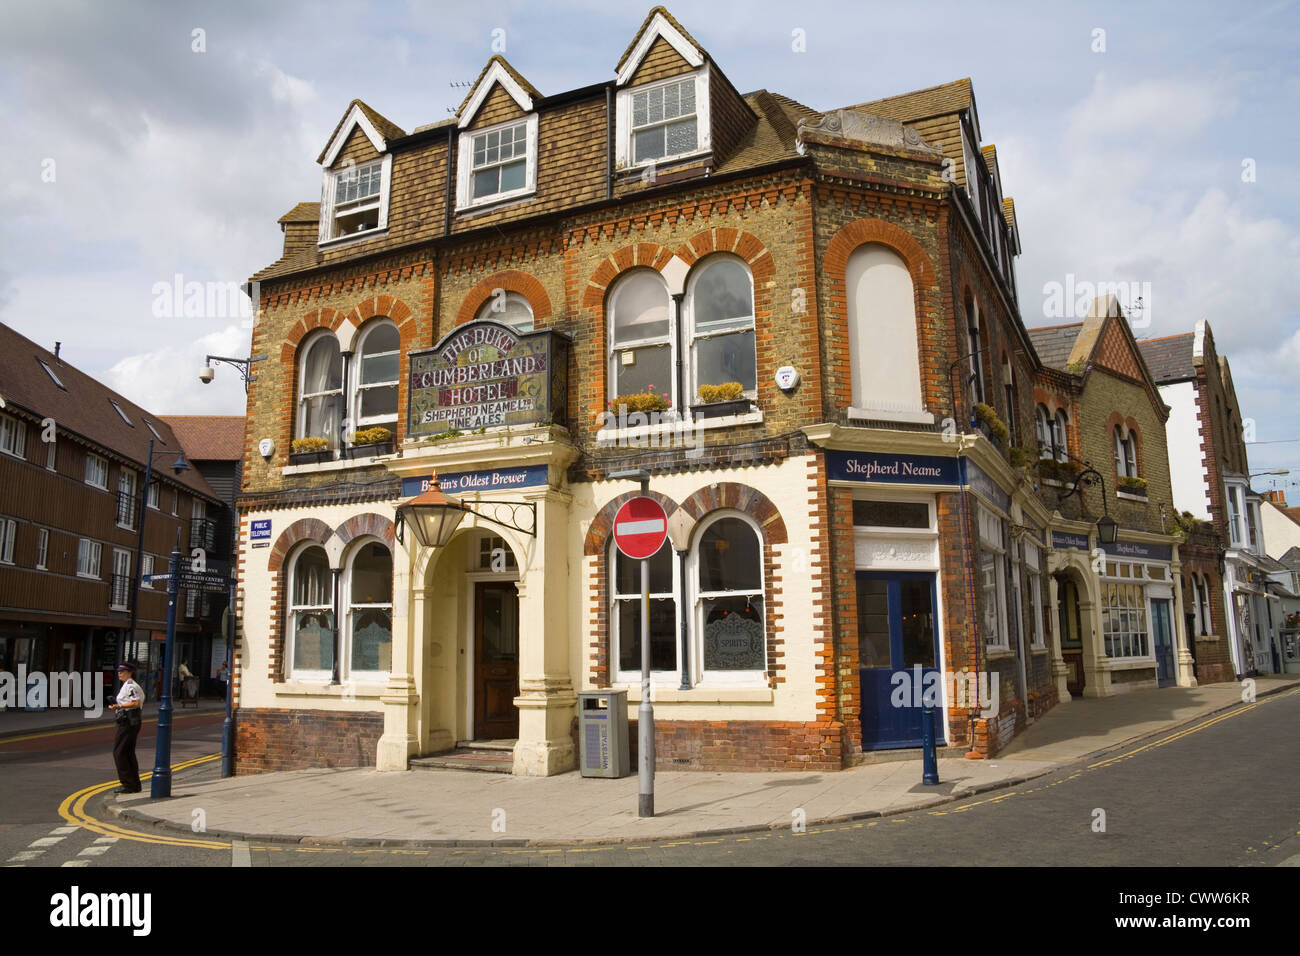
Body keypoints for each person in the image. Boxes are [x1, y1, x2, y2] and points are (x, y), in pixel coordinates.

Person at [107, 661, 144, 794]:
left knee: (119, 752)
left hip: (129, 721)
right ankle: (134, 784)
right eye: (118, 671)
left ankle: (128, 784)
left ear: (130, 672)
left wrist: (119, 706)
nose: (119, 673)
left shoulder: (130, 685)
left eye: (122, 671)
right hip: (128, 720)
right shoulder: (127, 686)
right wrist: (117, 706)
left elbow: (136, 702)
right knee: (127, 752)